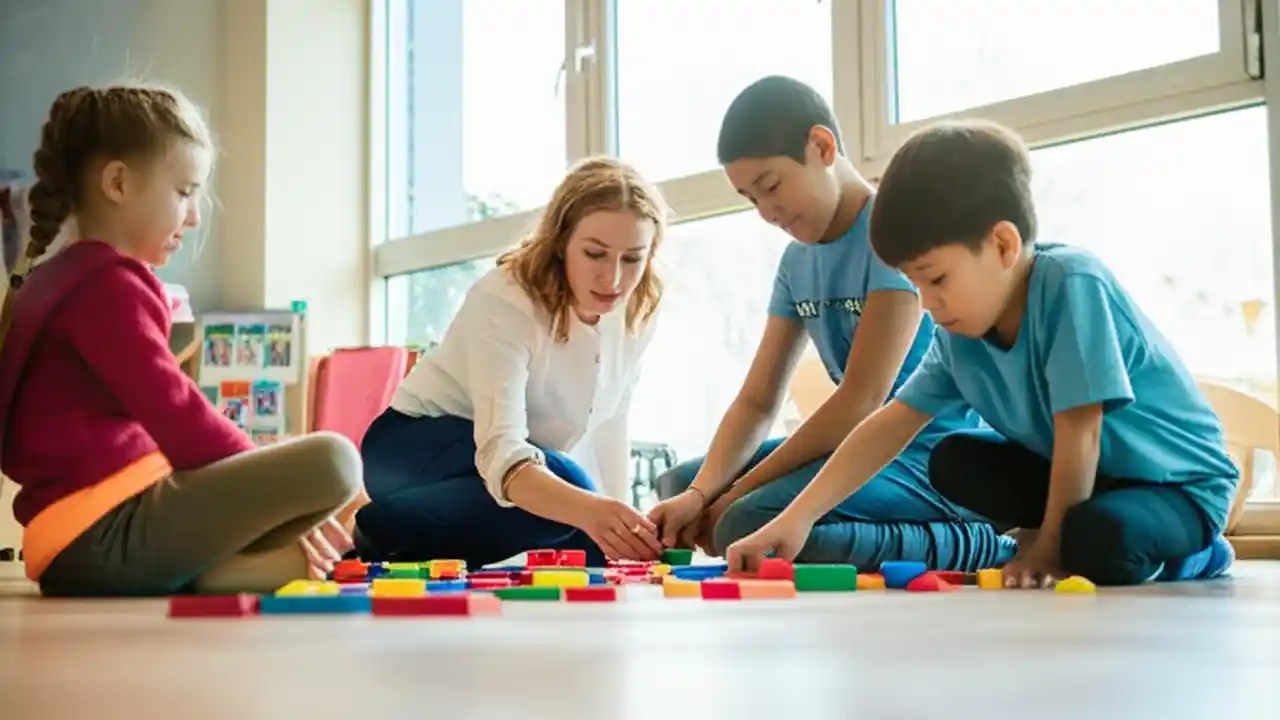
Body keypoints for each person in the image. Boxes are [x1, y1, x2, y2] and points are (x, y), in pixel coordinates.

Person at [727, 119, 1239, 587]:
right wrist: (795, 519)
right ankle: (1062, 528)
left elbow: (1081, 429)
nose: (928, 303)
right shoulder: (960, 330)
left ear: (1002, 245)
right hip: (1096, 479)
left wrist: (1052, 552)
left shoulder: (1071, 284)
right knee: (954, 461)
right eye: (915, 285)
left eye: (937, 279)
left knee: (1096, 545)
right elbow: (891, 423)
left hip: (1177, 485)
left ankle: (1199, 553)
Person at [0, 84, 362, 597]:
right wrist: (281, 497)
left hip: (72, 547)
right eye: (185, 193)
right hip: (104, 534)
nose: (193, 218)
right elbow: (184, 424)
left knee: (293, 561)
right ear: (119, 183)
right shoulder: (106, 285)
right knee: (335, 459)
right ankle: (232, 563)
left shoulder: (54, 279)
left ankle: (233, 569)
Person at [645, 76, 1013, 571]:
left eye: (771, 186)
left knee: (743, 519)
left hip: (925, 452)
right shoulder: (796, 262)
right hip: (853, 447)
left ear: (821, 146)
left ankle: (988, 542)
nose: (767, 212)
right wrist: (700, 491)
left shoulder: (893, 231)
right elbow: (757, 400)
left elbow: (862, 399)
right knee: (680, 486)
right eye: (750, 199)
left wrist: (734, 493)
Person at [354, 157, 667, 568]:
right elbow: (503, 449)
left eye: (632, 259)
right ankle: (378, 530)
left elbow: (611, 422)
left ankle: (407, 550)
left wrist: (624, 527)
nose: (612, 279)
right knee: (571, 490)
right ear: (560, 244)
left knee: (591, 548)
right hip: (410, 446)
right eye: (595, 254)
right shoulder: (506, 299)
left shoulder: (638, 307)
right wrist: (591, 509)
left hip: (511, 465)